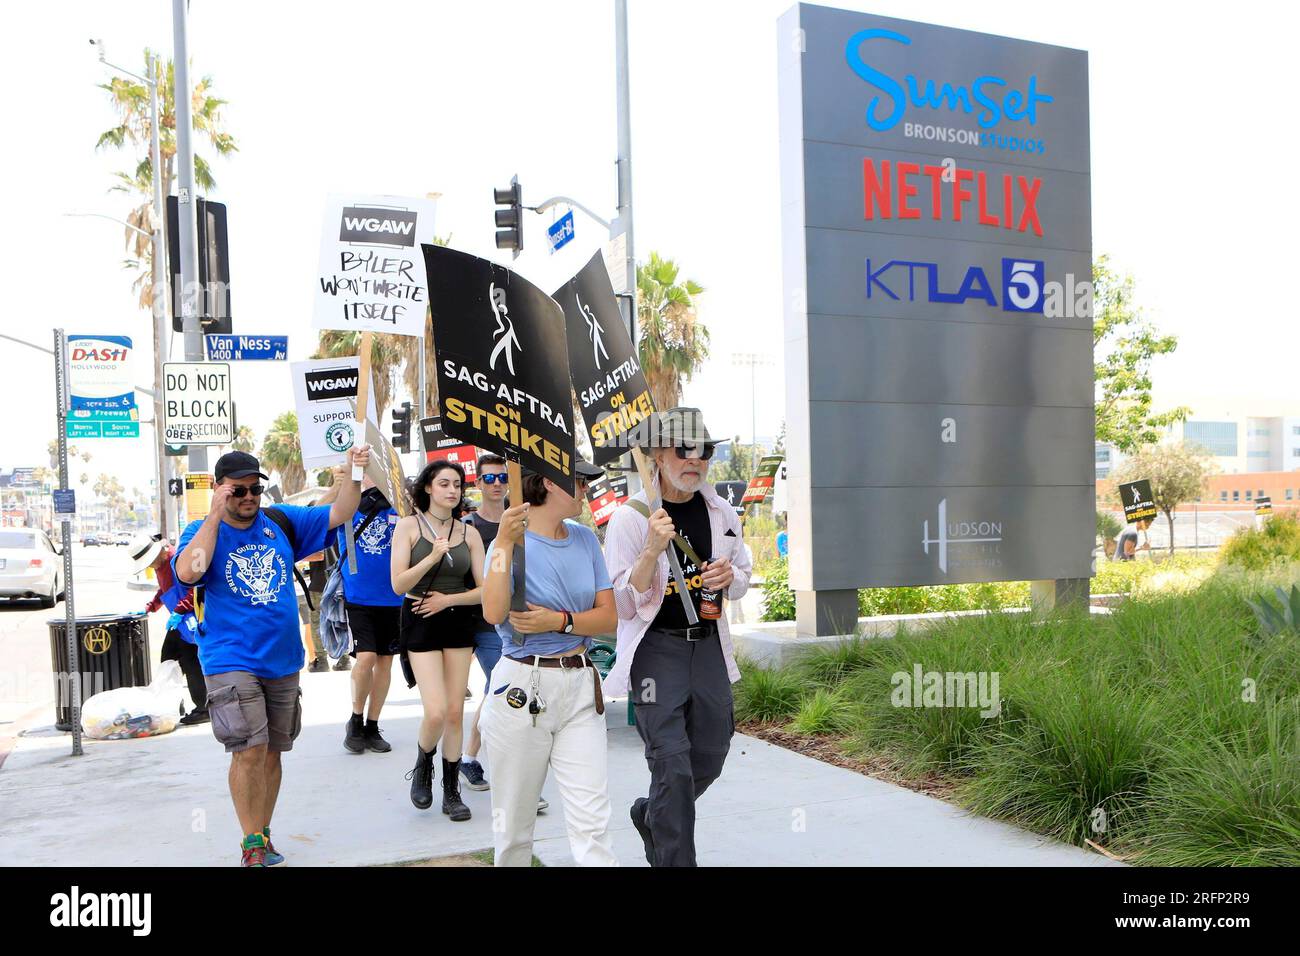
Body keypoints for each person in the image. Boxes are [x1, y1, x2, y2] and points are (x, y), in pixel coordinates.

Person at [172, 446, 369, 867]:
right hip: (229, 658)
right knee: (248, 748)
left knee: (274, 750)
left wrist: (354, 471)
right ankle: (251, 844)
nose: (248, 497)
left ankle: (262, 831)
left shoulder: (279, 520)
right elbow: (189, 572)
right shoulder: (199, 530)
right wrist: (212, 515)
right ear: (221, 491)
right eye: (238, 490)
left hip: (282, 659)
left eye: (254, 489)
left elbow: (341, 511)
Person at [603, 407, 752, 867]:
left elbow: (744, 575)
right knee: (671, 764)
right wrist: (651, 548)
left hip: (707, 645)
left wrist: (730, 577)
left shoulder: (721, 511)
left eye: (703, 450)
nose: (695, 459)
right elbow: (623, 606)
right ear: (656, 456)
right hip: (656, 651)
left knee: (710, 753)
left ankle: (652, 815)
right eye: (683, 449)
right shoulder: (631, 518)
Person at [480, 459, 618, 867]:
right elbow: (492, 611)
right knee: (514, 826)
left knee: (593, 819)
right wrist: (504, 543)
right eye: (577, 480)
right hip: (521, 685)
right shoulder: (506, 543)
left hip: (578, 684)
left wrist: (559, 621)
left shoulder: (586, 539)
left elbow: (609, 617)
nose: (585, 488)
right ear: (546, 484)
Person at [390, 459, 486, 822]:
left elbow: (484, 590)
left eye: (457, 485)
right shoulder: (408, 527)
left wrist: (450, 599)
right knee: (435, 711)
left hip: (456, 619)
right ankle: (423, 761)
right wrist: (431, 556)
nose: (452, 490)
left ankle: (451, 791)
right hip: (419, 620)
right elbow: (398, 584)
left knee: (455, 711)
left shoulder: (469, 533)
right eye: (444, 483)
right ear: (428, 488)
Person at [337, 476, 403, 754]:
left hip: (393, 598)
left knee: (385, 664)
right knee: (366, 658)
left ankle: (373, 725)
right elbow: (318, 510)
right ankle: (356, 718)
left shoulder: (398, 509)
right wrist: (340, 483)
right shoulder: (346, 508)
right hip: (358, 597)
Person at [133, 533, 207, 726]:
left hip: (191, 617)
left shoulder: (178, 559)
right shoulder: (160, 566)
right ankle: (173, 705)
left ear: (159, 554)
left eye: (150, 562)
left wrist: (180, 610)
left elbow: (197, 588)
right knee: (168, 659)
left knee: (191, 663)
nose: (150, 566)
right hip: (179, 621)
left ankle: (203, 708)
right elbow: (164, 589)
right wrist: (152, 606)